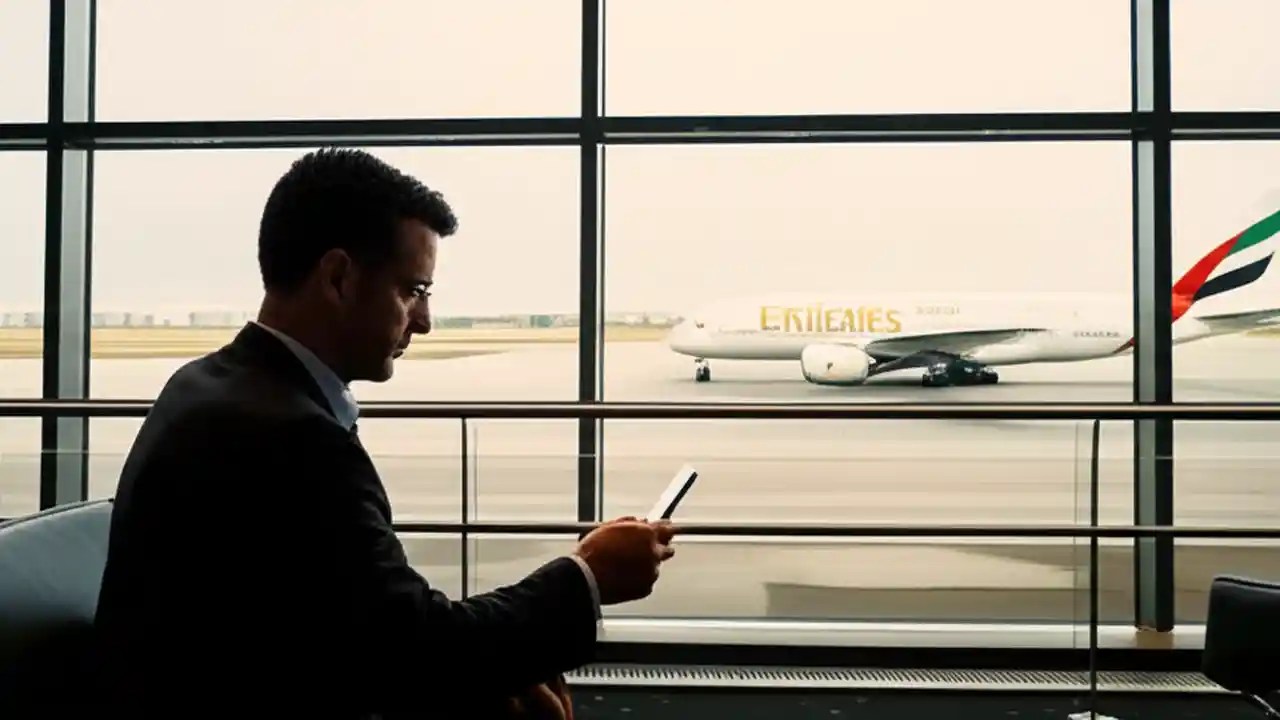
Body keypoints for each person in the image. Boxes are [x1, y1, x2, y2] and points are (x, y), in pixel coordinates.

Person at [92, 147, 678, 717]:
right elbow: (414, 649)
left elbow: (351, 628)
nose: (425, 321)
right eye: (412, 290)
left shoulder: (202, 385)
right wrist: (587, 576)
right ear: (339, 278)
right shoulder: (294, 438)